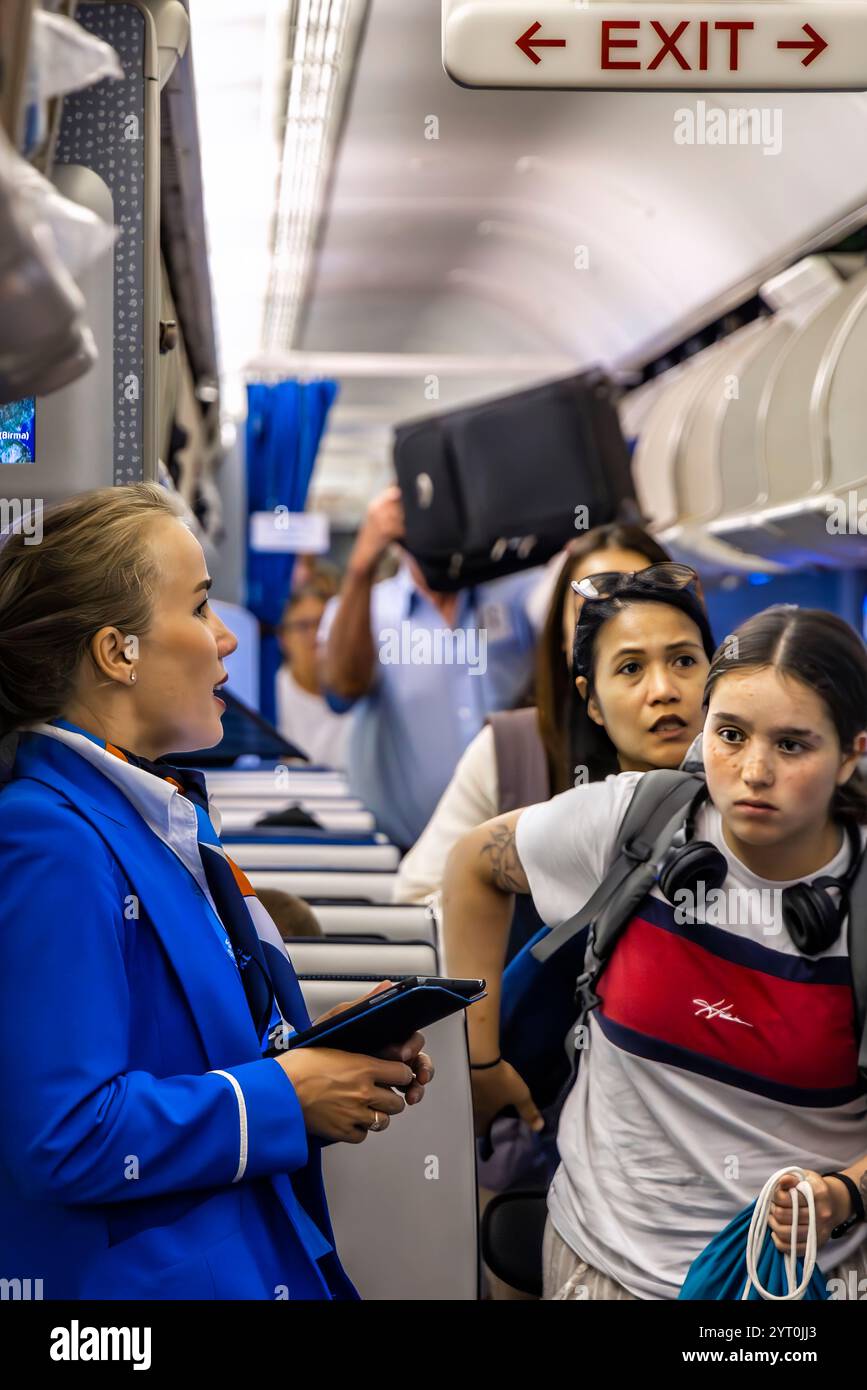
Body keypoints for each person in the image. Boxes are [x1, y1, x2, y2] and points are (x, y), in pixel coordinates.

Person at [0, 484, 433, 1301]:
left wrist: (306, 1055)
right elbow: (63, 1134)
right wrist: (286, 1094)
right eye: (200, 609)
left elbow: (167, 1055)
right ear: (116, 652)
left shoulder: (140, 812)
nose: (228, 636)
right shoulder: (48, 839)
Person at [443, 604, 867, 1299]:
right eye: (729, 734)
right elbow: (473, 864)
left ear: (851, 752)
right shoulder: (635, 823)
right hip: (599, 1263)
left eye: (792, 745)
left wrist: (843, 1195)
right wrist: (480, 1060)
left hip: (793, 1283)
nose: (753, 770)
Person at [393, 524, 674, 904]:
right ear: (562, 640)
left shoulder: (727, 753)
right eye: (595, 614)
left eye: (645, 607)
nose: (625, 630)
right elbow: (417, 895)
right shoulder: (510, 752)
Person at [320, 484, 541, 850]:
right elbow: (341, 692)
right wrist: (361, 565)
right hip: (400, 852)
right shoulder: (371, 609)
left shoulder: (516, 595)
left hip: (515, 848)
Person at [276, 586, 351, 768]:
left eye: (322, 623)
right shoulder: (271, 695)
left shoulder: (355, 692)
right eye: (303, 626)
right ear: (283, 639)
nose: (315, 635)